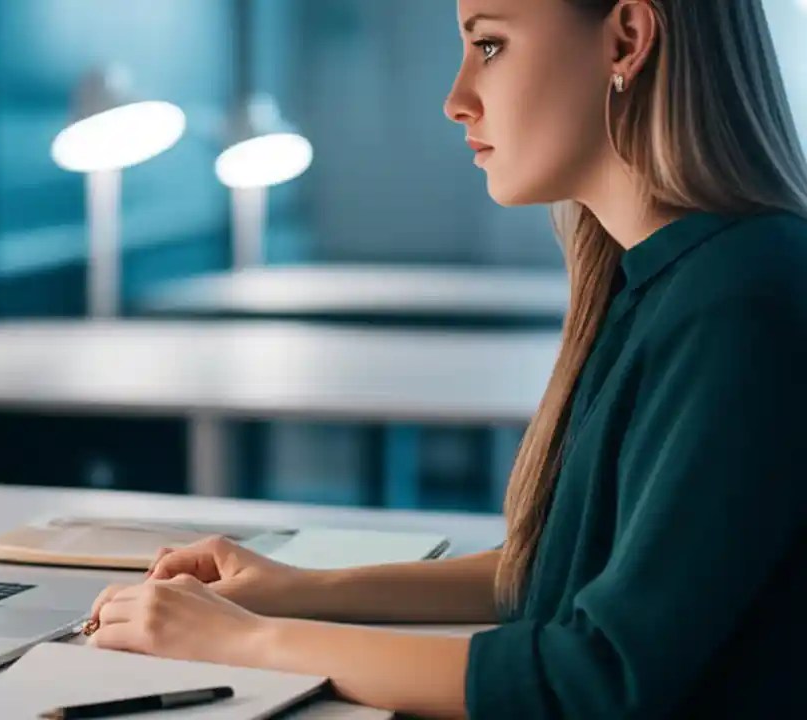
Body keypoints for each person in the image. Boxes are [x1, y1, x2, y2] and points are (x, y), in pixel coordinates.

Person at [85, 1, 807, 717]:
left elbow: (594, 679)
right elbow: (557, 571)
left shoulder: (743, 295)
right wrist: (295, 589)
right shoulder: (660, 278)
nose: (456, 100)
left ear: (626, 39)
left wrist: (250, 642)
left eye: (489, 46)